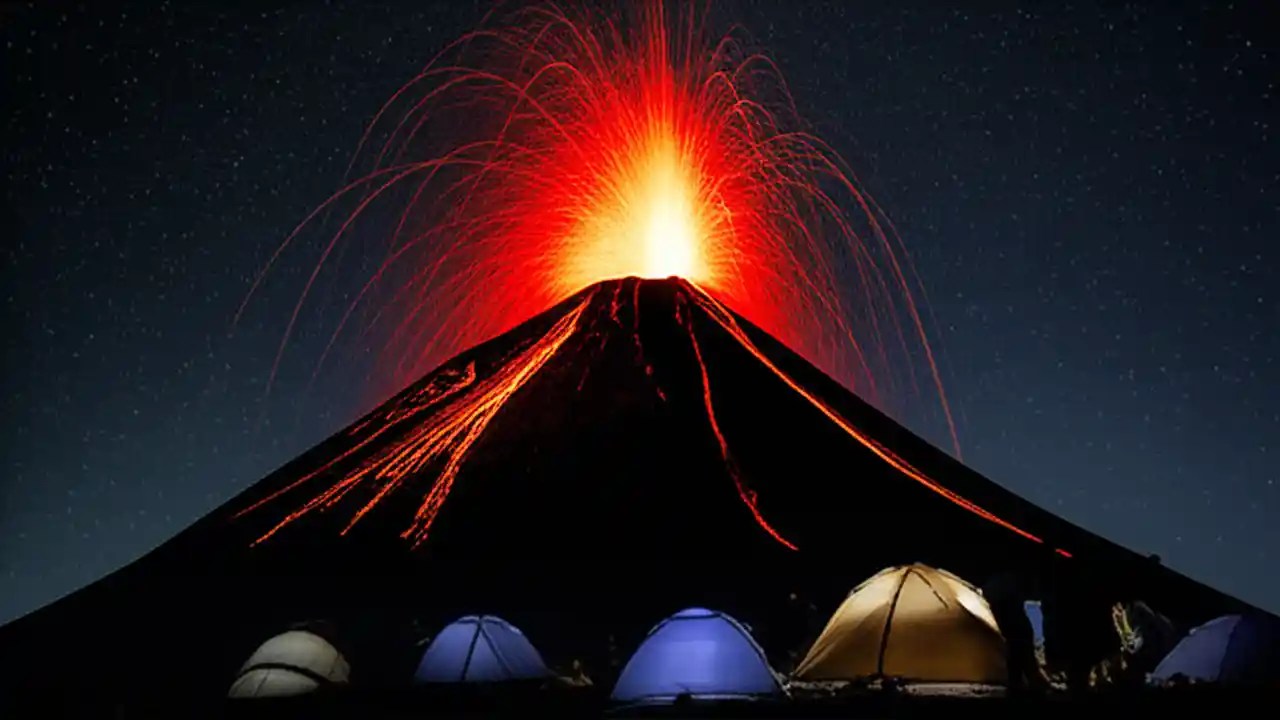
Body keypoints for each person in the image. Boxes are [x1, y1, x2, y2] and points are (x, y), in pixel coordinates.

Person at [981, 572, 1049, 695]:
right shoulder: (1005, 584)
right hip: (1009, 610)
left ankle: (1020, 682)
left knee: (1017, 646)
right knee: (1020, 643)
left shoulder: (999, 583)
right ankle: (1029, 682)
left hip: (1007, 610)